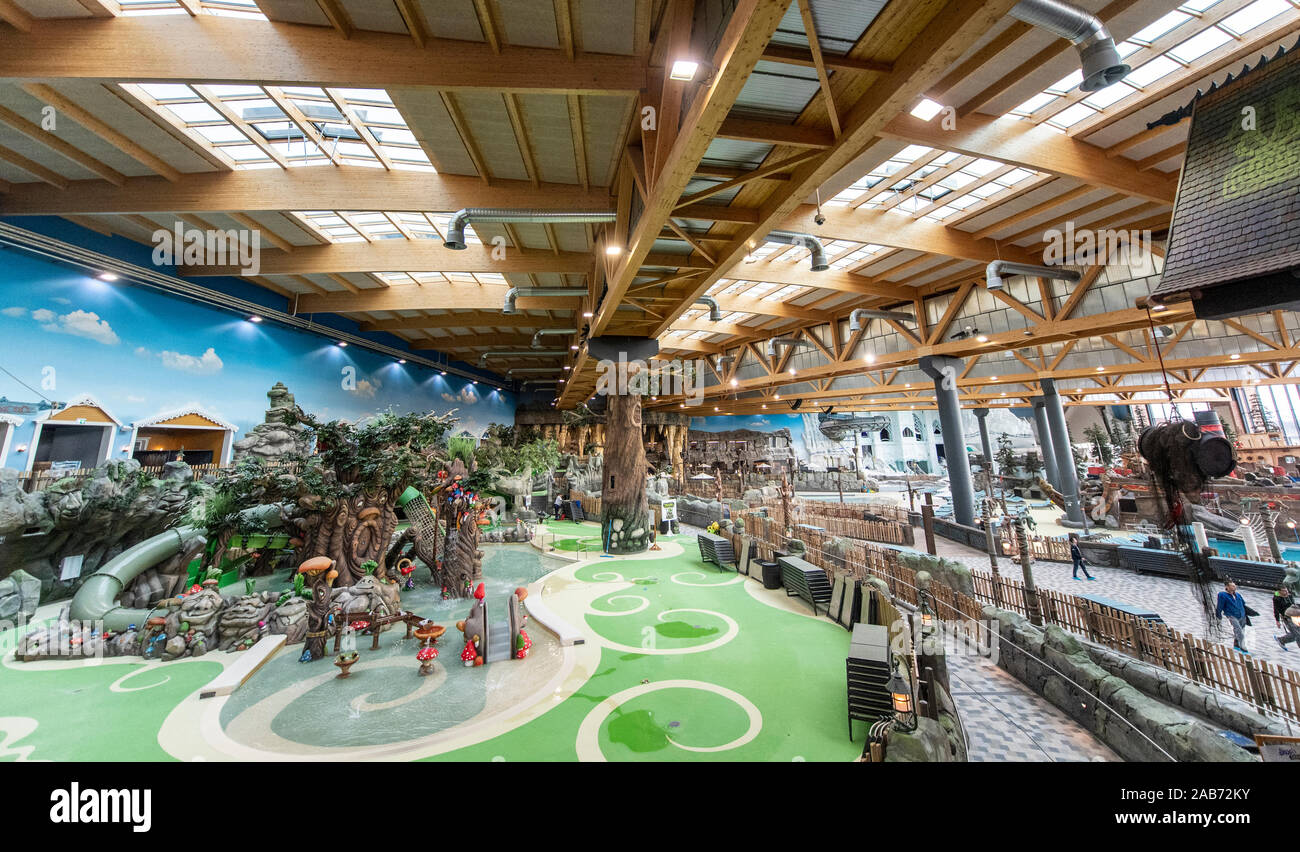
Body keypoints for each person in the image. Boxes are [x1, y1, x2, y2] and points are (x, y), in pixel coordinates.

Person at [1215, 580, 1250, 654]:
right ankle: (1243, 647)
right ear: (1227, 587)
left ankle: (1236, 643)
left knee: (1241, 629)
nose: (1234, 587)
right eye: (1232, 586)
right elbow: (1219, 606)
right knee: (1239, 631)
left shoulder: (1238, 595)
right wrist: (1218, 615)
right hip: (1231, 615)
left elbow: (1243, 604)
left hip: (1242, 615)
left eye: (1235, 585)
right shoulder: (1222, 595)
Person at [1274, 584, 1300, 651]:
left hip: (1294, 616)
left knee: (1298, 632)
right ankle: (1281, 640)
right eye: (1284, 591)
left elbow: (1293, 605)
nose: (1286, 592)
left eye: (1286, 590)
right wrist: (1277, 621)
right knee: (1295, 634)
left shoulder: (1289, 596)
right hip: (1286, 618)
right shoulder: (1277, 598)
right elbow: (1276, 610)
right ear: (1279, 592)